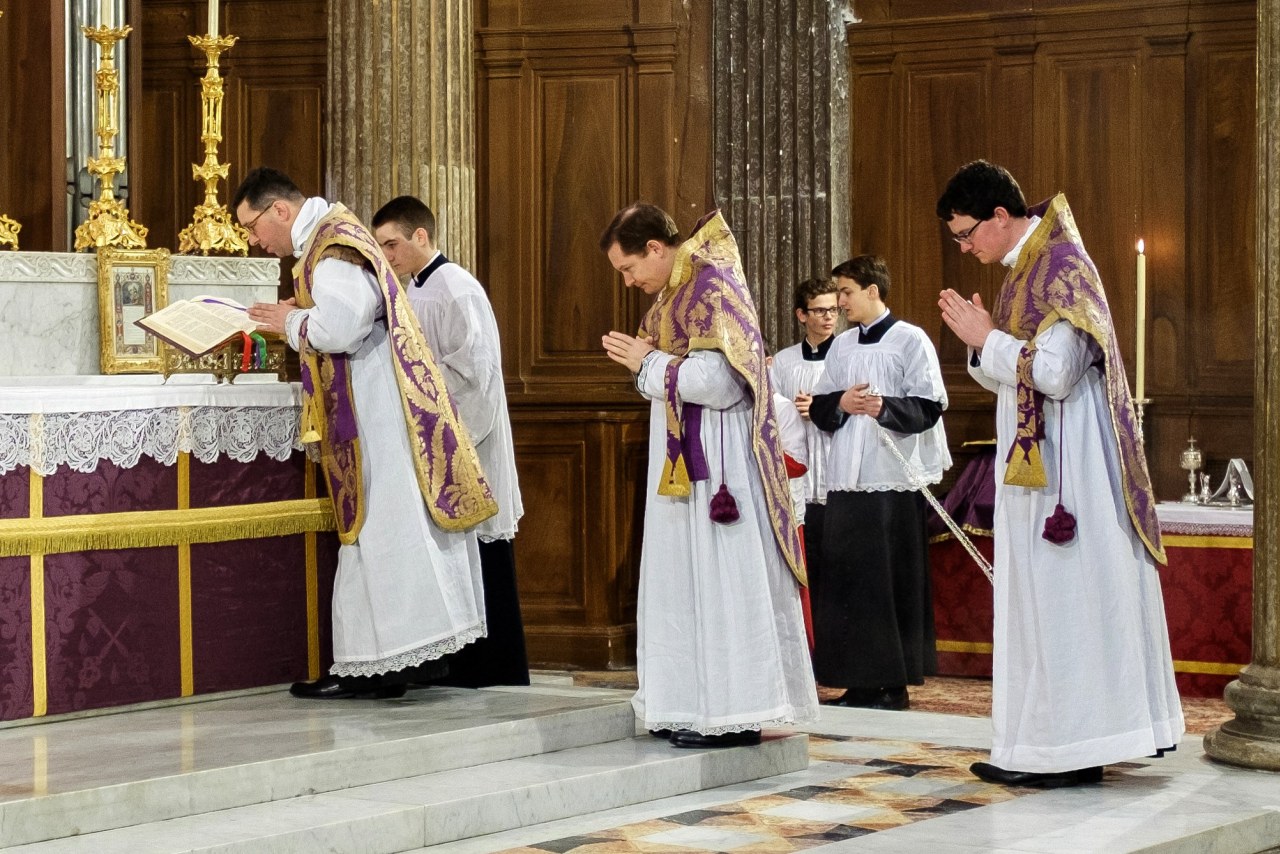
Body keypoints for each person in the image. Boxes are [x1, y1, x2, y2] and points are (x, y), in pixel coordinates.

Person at [936, 159, 1184, 787]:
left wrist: (988, 337)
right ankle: (1036, 743)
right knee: (1036, 604)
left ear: (999, 216)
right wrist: (979, 344)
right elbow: (1013, 369)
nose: (965, 248)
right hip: (1036, 467)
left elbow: (1055, 373)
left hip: (1074, 473)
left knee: (1070, 602)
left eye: (967, 234)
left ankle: (1077, 748)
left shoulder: (1061, 267)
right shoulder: (1024, 269)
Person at [236, 167, 495, 699]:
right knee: (373, 539)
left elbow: (341, 326)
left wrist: (283, 323)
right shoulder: (331, 238)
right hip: (370, 409)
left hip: (374, 414)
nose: (254, 240)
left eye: (253, 226)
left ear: (280, 211)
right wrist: (298, 314)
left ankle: (383, 666)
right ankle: (373, 664)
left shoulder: (332, 248)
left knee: (382, 537)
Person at [599, 202, 818, 748]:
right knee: (680, 581)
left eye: (629, 269)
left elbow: (722, 384)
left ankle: (735, 711)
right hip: (679, 466)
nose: (628, 283)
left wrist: (646, 364)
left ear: (655, 248)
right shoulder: (675, 292)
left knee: (724, 581)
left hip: (723, 470)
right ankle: (688, 706)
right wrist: (650, 364)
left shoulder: (712, 285)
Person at [371, 195, 530, 687]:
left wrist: (438, 432)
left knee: (483, 551)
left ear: (422, 236)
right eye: (380, 247)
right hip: (437, 440)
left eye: (392, 244)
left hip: (465, 443)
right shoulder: (415, 290)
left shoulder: (455, 289)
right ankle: (459, 662)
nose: (387, 256)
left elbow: (475, 375)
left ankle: (496, 668)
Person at [807, 255, 949, 710]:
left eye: (846, 292)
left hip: (892, 480)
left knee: (886, 581)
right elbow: (823, 405)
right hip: (847, 478)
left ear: (873, 290)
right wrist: (842, 403)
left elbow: (929, 405)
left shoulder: (911, 340)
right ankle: (857, 680)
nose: (841, 302)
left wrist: (883, 406)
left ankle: (892, 683)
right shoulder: (843, 346)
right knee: (848, 580)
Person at [769, 277, 839, 625]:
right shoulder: (783, 362)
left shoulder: (848, 353)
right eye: (820, 310)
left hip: (837, 468)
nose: (828, 317)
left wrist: (823, 408)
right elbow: (774, 415)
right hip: (799, 475)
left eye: (833, 310)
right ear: (801, 315)